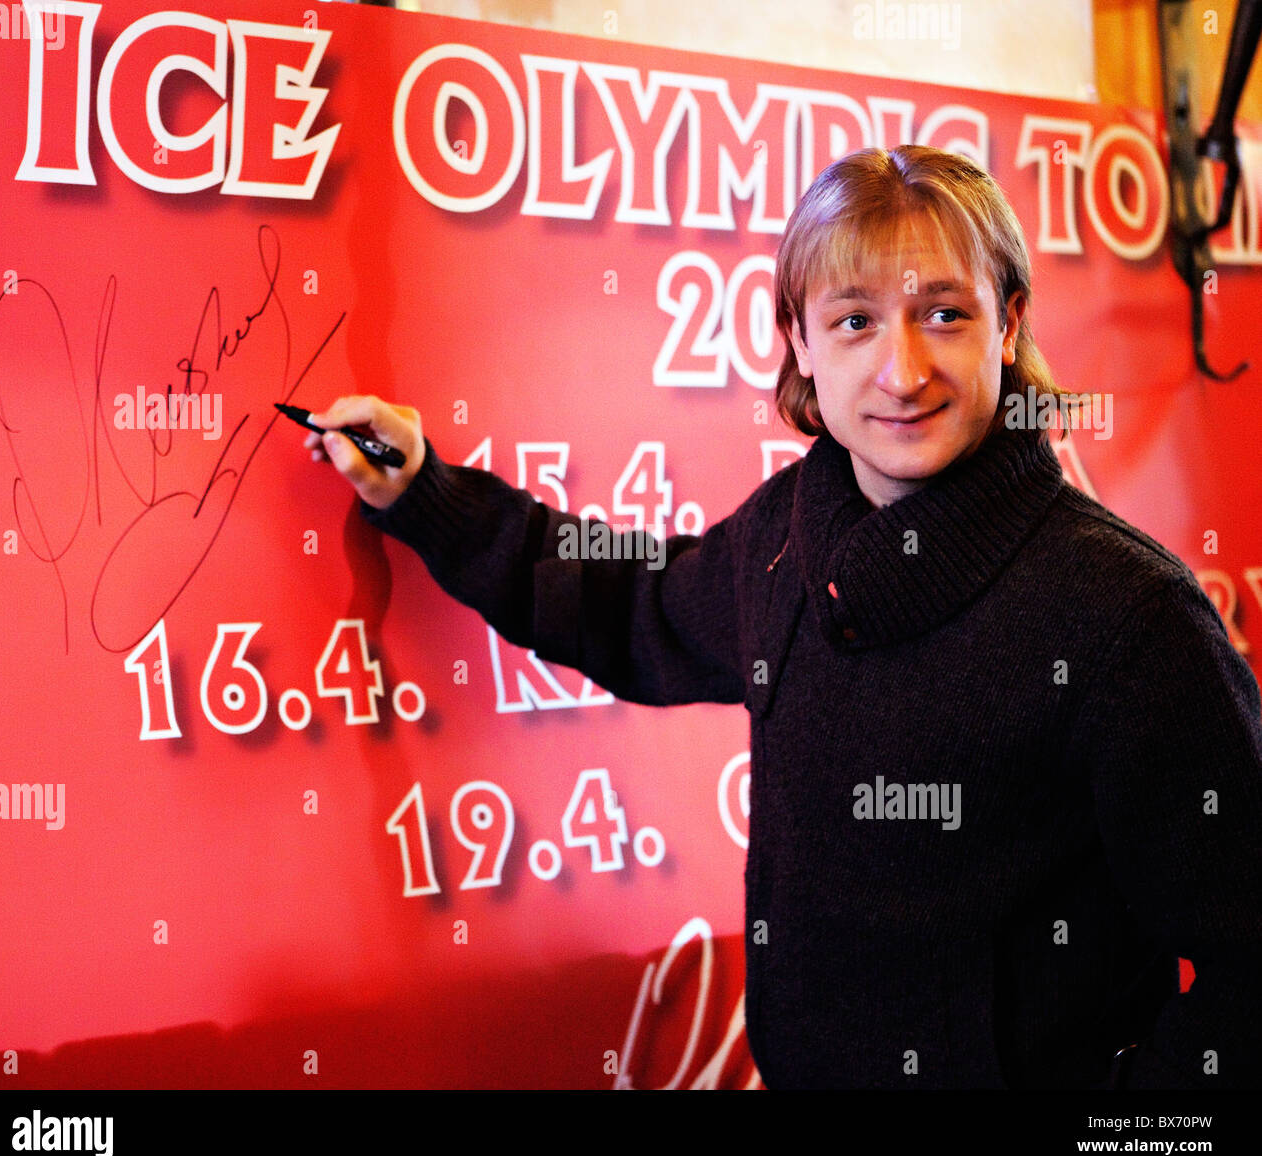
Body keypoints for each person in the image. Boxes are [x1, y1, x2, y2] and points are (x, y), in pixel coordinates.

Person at [301, 145, 1262, 1089]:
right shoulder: (787, 536)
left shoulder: (1128, 617)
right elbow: (629, 601)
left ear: (1008, 326)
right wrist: (428, 493)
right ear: (799, 340)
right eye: (855, 322)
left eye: (944, 313)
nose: (903, 369)